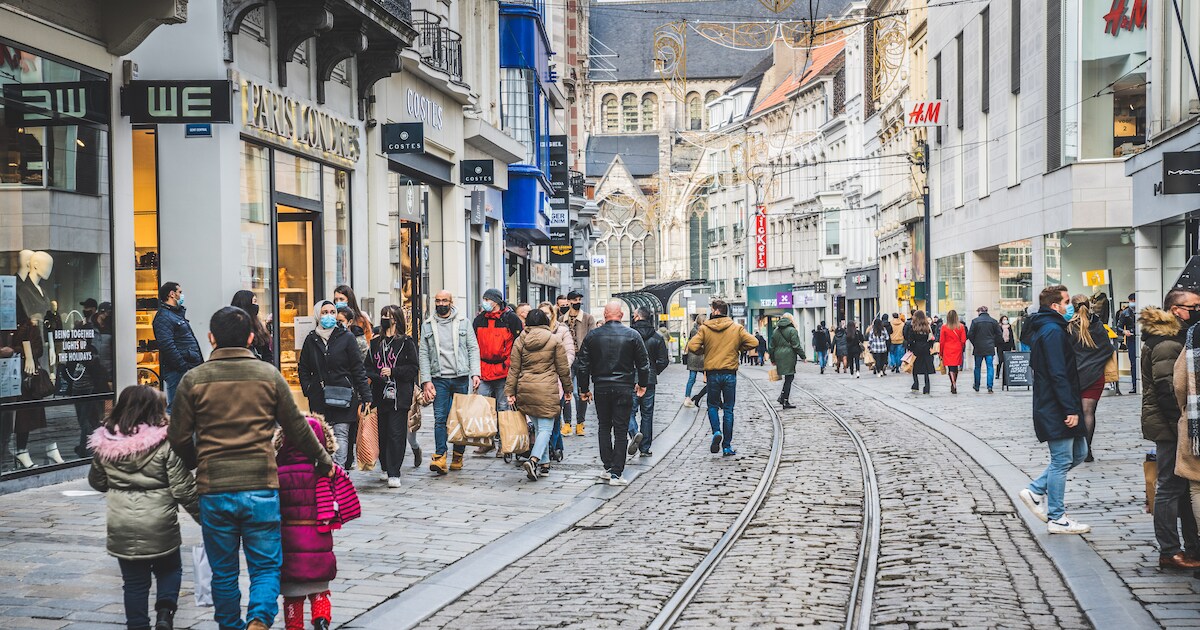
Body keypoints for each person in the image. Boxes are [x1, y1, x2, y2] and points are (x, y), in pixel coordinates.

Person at [169, 306, 334, 630]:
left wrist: (194, 460)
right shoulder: (267, 375)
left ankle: (231, 625)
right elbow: (297, 428)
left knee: (225, 571)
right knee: (265, 568)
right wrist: (323, 459)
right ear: (249, 337)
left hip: (215, 489)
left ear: (211, 338)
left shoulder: (194, 380)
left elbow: (177, 436)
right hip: (260, 486)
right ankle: (259, 619)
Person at [89, 385, 199, 630]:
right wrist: (206, 518)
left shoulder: (105, 442)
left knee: (134, 583)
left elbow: (97, 481)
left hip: (121, 525)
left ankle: (137, 625)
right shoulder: (164, 442)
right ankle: (164, 613)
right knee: (170, 568)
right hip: (159, 523)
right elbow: (183, 488)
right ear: (154, 410)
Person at [1017, 285, 1090, 535]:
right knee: (1061, 460)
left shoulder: (1053, 328)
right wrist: (1069, 409)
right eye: (1067, 302)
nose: (1070, 307)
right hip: (1056, 404)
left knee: (1079, 452)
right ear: (1054, 306)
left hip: (1060, 401)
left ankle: (1037, 489)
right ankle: (1057, 517)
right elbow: (1058, 373)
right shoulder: (1052, 332)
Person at [1140, 291, 1200, 570]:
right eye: (1193, 307)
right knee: (1169, 486)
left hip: (1176, 422)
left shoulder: (1179, 336)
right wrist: (1183, 426)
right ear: (1176, 309)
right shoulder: (1166, 341)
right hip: (1170, 424)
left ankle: (1190, 547)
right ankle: (1169, 551)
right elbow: (1167, 389)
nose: (1197, 310)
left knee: (1183, 485)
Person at [277, 416, 341, 630]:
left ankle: (294, 625)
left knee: (292, 595)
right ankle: (321, 618)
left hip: (289, 541)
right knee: (319, 588)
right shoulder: (323, 472)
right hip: (318, 538)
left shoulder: (279, 474)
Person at [575, 301, 650, 484]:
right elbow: (643, 363)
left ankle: (608, 466)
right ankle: (617, 472)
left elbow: (582, 365)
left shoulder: (593, 336)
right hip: (624, 386)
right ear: (621, 315)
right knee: (621, 429)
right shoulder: (632, 335)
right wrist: (642, 384)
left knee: (604, 426)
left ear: (605, 314)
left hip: (601, 386)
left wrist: (584, 389)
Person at [298, 301, 373, 468]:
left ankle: (339, 474)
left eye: (332, 312)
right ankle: (326, 470)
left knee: (341, 434)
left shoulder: (346, 337)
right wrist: (308, 388)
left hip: (344, 395)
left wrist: (365, 394)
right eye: (324, 312)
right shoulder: (311, 339)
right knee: (322, 435)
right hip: (319, 397)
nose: (329, 316)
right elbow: (303, 367)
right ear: (318, 315)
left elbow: (357, 368)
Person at [505, 309, 572, 481]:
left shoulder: (520, 340)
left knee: (537, 424)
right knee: (546, 429)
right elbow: (563, 368)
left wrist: (510, 392)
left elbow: (514, 368)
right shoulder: (554, 339)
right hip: (547, 389)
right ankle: (534, 460)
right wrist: (568, 389)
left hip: (526, 389)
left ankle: (545, 464)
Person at [419, 291, 481, 475]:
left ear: (451, 302)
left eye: (444, 300)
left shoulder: (463, 322)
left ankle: (458, 455)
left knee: (459, 419)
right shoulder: (428, 325)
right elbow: (423, 353)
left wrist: (475, 373)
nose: (440, 303)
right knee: (440, 418)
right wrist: (426, 380)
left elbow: (473, 348)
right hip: (439, 379)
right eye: (437, 300)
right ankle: (440, 457)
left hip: (460, 377)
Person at [687, 299, 758, 456]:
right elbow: (754, 342)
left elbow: (692, 346)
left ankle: (716, 431)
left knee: (712, 406)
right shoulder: (736, 327)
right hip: (729, 373)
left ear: (715, 311)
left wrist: (706, 351)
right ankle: (726, 446)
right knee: (728, 409)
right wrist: (737, 348)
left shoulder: (705, 328)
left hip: (712, 373)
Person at [364, 304, 419, 488]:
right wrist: (378, 376)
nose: (385, 319)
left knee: (396, 433)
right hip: (381, 394)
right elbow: (368, 368)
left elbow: (413, 368)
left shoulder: (406, 342)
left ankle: (395, 471)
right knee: (383, 433)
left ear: (396, 318)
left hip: (399, 395)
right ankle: (385, 467)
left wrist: (394, 371)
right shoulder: (375, 343)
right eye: (382, 315)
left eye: (388, 315)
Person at [472, 289, 523, 454]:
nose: (485, 302)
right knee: (483, 408)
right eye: (484, 298)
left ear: (496, 301)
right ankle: (486, 441)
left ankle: (504, 443)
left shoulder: (511, 319)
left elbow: (517, 345)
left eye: (488, 299)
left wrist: (510, 367)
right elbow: (474, 345)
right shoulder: (479, 320)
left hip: (503, 370)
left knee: (503, 408)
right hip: (484, 370)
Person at [1067, 294, 1115, 463]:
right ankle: (1087, 450)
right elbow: (1108, 349)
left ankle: (1076, 449)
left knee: (1076, 412)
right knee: (1089, 413)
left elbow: (1066, 353)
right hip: (1095, 376)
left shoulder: (1069, 328)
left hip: (1075, 376)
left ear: (1072, 307)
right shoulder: (1098, 326)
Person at [152, 281, 202, 411]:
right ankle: (170, 431)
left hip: (186, 366)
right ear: (172, 294)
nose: (182, 295)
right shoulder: (164, 317)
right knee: (176, 407)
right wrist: (182, 365)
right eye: (180, 292)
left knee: (187, 405)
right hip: (178, 369)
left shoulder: (174, 315)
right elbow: (166, 344)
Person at [629, 307, 670, 457]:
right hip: (650, 380)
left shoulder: (630, 335)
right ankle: (645, 448)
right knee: (647, 414)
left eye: (634, 315)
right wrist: (654, 371)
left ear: (638, 317)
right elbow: (663, 360)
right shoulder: (657, 337)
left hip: (631, 378)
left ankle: (634, 433)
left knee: (629, 410)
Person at [539, 302, 575, 462]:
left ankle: (552, 447)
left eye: (547, 313)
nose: (545, 316)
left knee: (554, 415)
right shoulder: (533, 331)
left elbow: (569, 353)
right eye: (542, 313)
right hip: (539, 380)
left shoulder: (561, 330)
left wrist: (559, 369)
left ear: (552, 314)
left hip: (557, 380)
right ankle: (557, 447)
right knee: (546, 416)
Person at [561, 290, 596, 434]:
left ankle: (580, 423)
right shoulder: (561, 319)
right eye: (575, 300)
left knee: (582, 390)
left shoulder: (588, 318)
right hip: (566, 359)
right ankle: (567, 423)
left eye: (579, 300)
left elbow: (592, 338)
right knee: (566, 391)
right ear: (569, 302)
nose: (578, 303)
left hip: (583, 359)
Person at [967, 305, 1004, 393]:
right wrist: (994, 343)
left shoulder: (975, 321)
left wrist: (975, 343)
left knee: (977, 367)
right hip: (989, 347)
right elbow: (999, 335)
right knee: (990, 367)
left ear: (979, 312)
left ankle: (977, 385)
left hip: (978, 347)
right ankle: (990, 386)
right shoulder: (993, 321)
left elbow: (970, 335)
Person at [770, 313, 803, 408]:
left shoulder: (776, 331)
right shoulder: (792, 330)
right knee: (789, 377)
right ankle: (784, 399)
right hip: (789, 355)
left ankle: (783, 397)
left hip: (778, 355)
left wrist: (772, 359)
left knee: (788, 378)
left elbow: (771, 347)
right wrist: (803, 356)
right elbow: (796, 345)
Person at [232, 290, 273, 363]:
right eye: (254, 301)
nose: (257, 305)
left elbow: (267, 354)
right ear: (246, 304)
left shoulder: (258, 326)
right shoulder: (235, 328)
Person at [905, 310, 936, 394]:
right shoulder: (927, 326)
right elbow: (931, 338)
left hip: (916, 348)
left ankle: (916, 384)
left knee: (915, 366)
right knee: (926, 367)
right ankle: (927, 385)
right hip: (925, 348)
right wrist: (929, 346)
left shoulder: (913, 327)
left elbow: (910, 340)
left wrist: (910, 348)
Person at [939, 310, 967, 394]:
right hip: (957, 348)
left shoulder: (944, 327)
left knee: (950, 367)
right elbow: (963, 339)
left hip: (947, 348)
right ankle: (954, 382)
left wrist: (941, 352)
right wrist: (961, 347)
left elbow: (942, 341)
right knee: (955, 367)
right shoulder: (961, 326)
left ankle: (953, 383)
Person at [684, 314, 708, 406]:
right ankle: (688, 397)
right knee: (694, 379)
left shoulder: (694, 330)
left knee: (692, 378)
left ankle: (689, 397)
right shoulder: (699, 331)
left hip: (694, 358)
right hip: (698, 357)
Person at [1118, 293, 1139, 394]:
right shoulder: (1125, 313)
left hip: (1140, 338)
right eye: (1132, 300)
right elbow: (1119, 327)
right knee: (1134, 363)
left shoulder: (1142, 312)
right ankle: (1135, 385)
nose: (1133, 302)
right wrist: (1124, 332)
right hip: (1131, 339)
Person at [997, 315, 1016, 387]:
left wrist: (1013, 347)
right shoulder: (999, 327)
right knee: (1000, 360)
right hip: (1000, 345)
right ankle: (997, 374)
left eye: (1006, 319)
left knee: (1006, 361)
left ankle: (1006, 375)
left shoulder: (1009, 327)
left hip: (1008, 345)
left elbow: (1011, 337)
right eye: (1004, 319)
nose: (1005, 320)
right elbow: (997, 336)